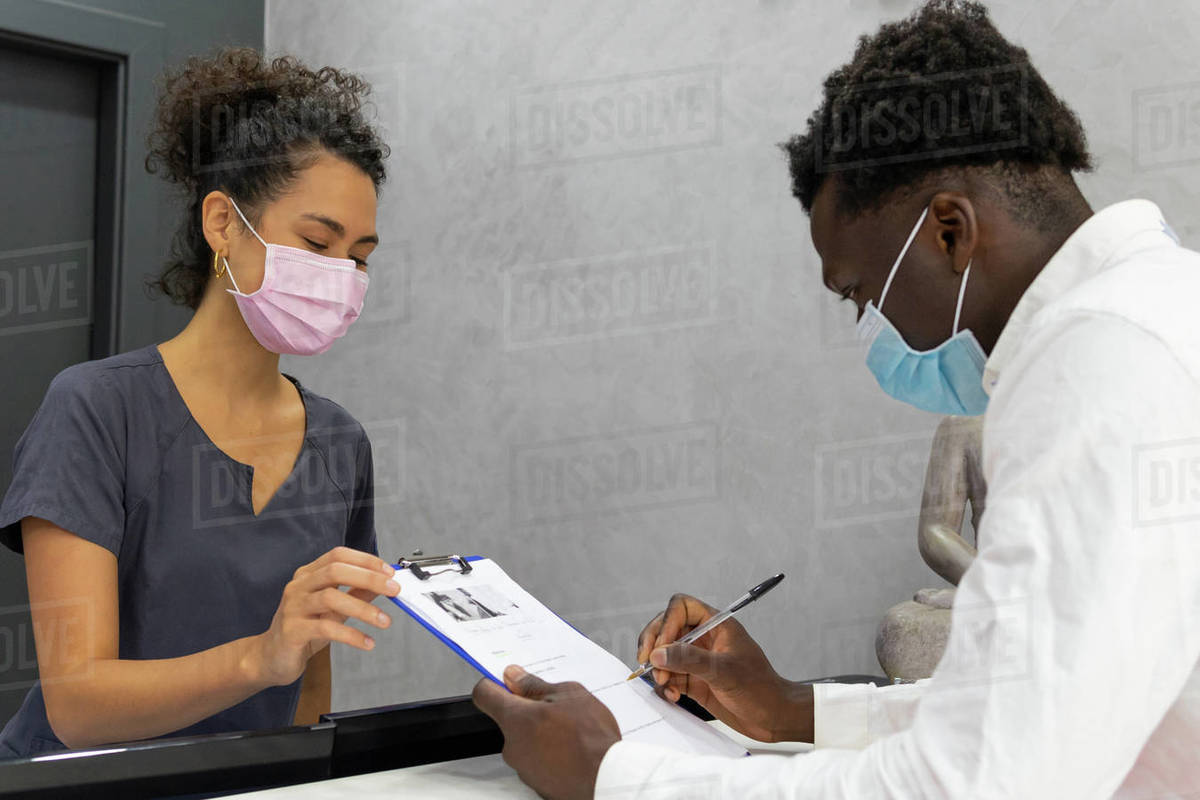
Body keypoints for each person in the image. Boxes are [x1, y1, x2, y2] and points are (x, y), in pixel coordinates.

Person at [471, 2, 1200, 798]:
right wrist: (793, 710)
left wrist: (612, 776)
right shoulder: (1154, 310)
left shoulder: (1094, 363)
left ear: (950, 232)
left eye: (858, 291)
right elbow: (1043, 702)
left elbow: (972, 782)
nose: (869, 325)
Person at [0, 47, 400, 758]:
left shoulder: (340, 444)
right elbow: (76, 704)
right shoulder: (96, 412)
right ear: (223, 224)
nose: (341, 276)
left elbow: (309, 688)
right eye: (317, 241)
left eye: (360, 257)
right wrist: (260, 657)